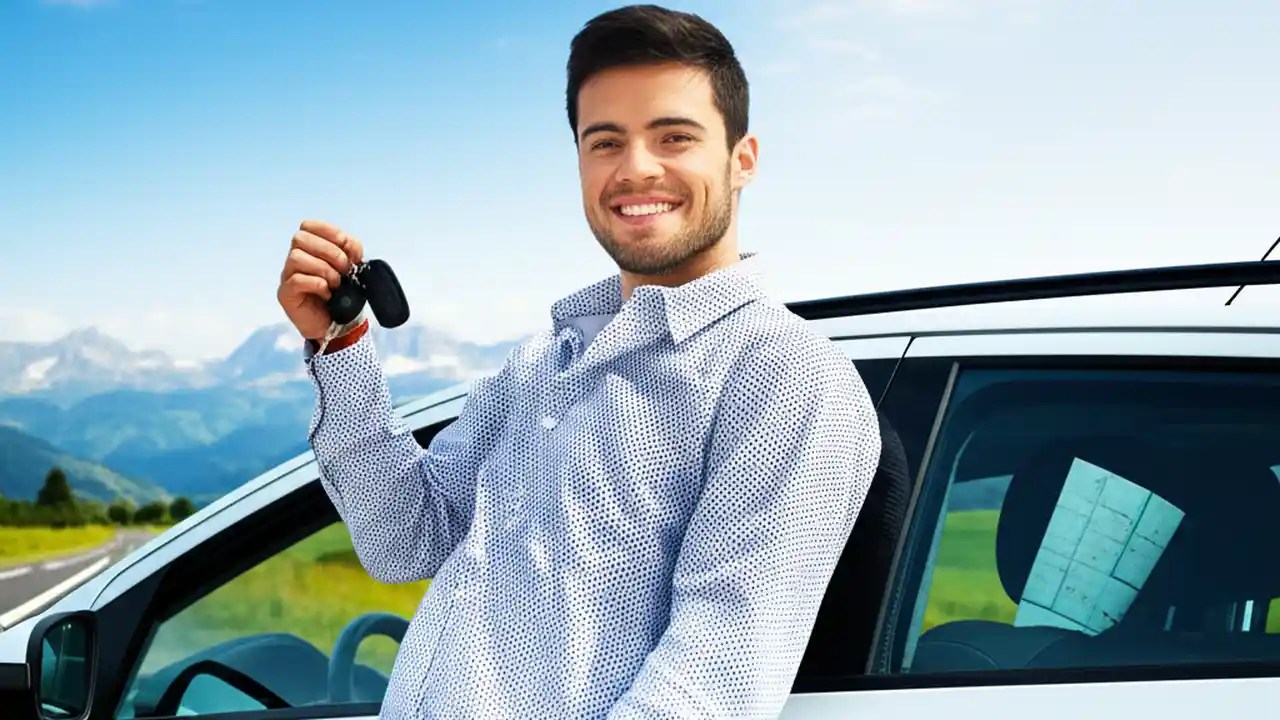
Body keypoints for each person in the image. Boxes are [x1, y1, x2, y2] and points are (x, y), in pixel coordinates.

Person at [275, 4, 881, 718]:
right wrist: (343, 346)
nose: (636, 168)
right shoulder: (542, 363)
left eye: (674, 137)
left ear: (741, 159)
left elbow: (708, 689)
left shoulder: (787, 377)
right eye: (606, 142)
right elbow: (405, 540)